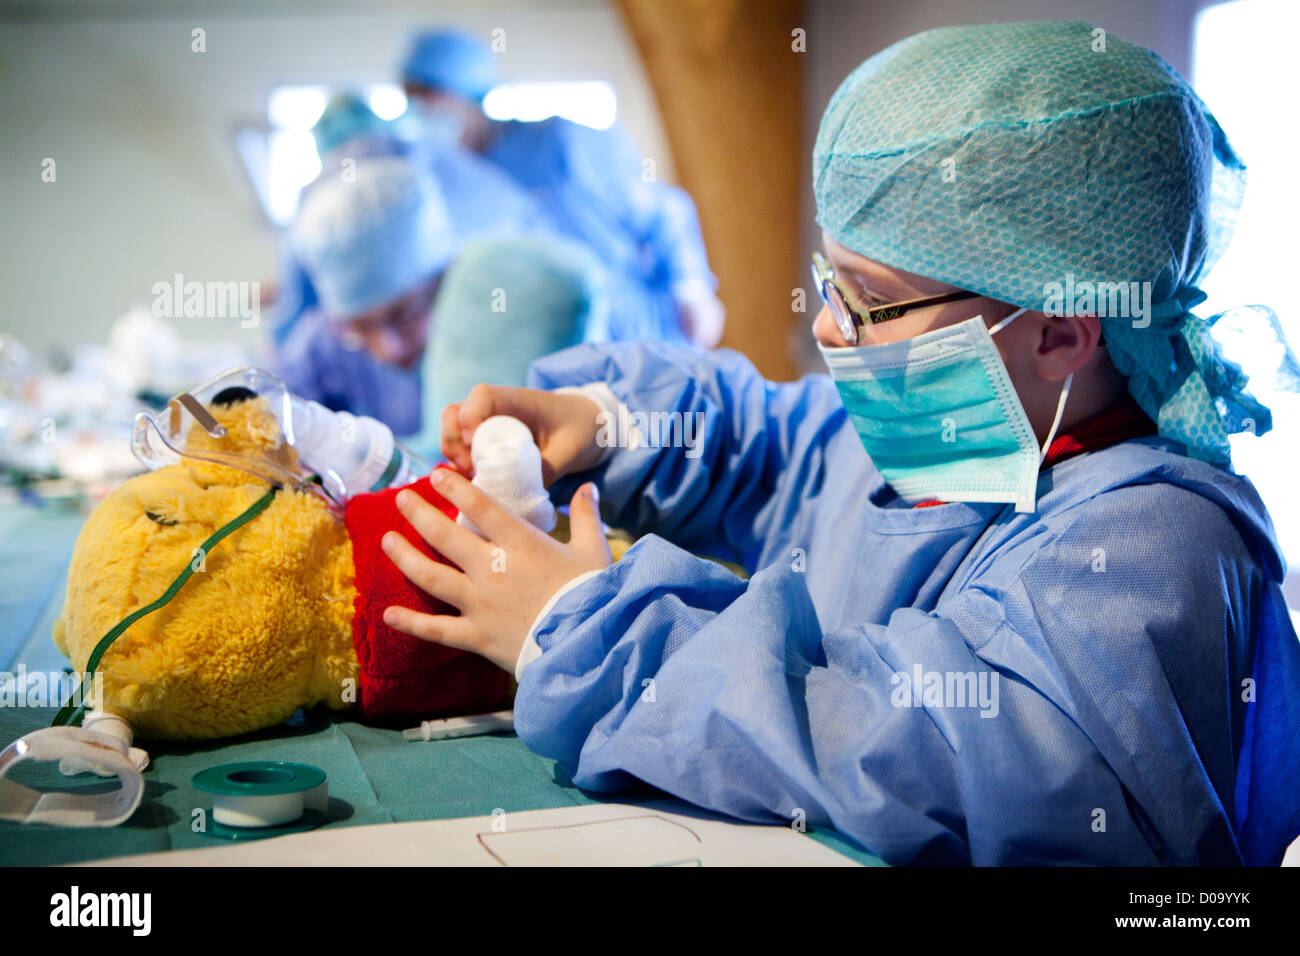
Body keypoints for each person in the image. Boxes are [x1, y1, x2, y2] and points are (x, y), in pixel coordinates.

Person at [377, 21, 1300, 865]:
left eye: (866, 299)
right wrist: (612, 422)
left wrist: (588, 633)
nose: (825, 327)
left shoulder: (1150, 550)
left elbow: (915, 751)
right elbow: (783, 448)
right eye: (829, 280)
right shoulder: (951, 440)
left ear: (1059, 332)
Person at [400, 27, 726, 348]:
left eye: (428, 97)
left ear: (469, 93)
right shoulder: (448, 182)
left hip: (645, 330)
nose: (419, 112)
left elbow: (664, 210)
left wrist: (692, 289)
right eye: (409, 99)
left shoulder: (564, 141)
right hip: (555, 349)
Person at [282, 154, 602, 444]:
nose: (388, 349)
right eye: (359, 329)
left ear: (447, 275)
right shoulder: (321, 343)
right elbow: (271, 423)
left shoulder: (497, 311)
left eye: (402, 313)